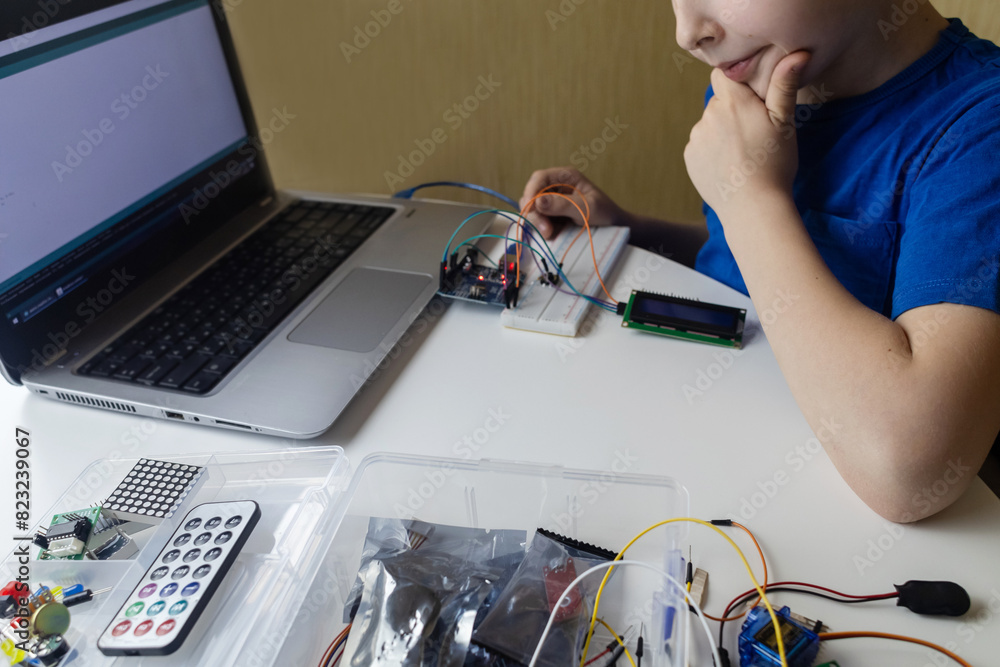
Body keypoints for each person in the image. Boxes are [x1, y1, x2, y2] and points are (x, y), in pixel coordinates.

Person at [520, 0, 1000, 523]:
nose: (687, 33)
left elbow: (911, 475)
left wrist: (749, 197)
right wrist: (632, 232)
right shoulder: (758, 75)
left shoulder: (979, 132)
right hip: (702, 458)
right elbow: (753, 268)